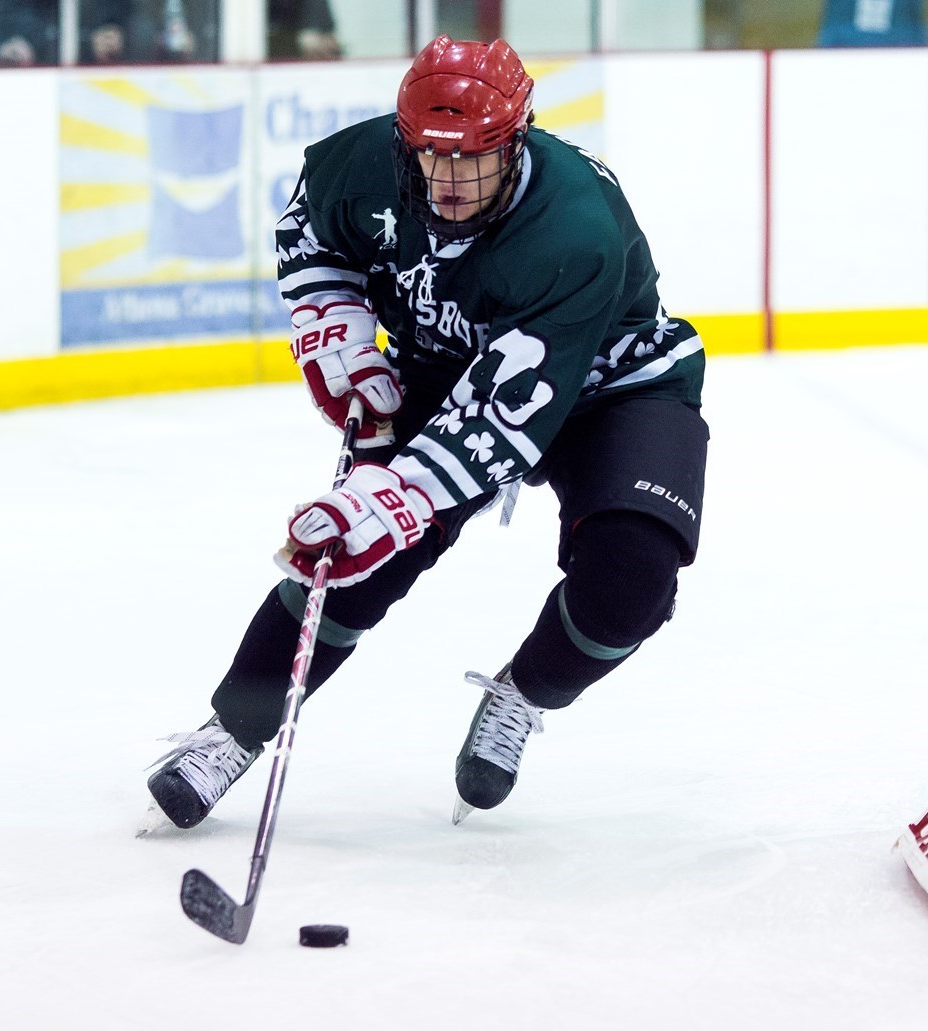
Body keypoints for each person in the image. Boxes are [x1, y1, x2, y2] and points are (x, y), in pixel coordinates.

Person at [145, 35, 708, 827]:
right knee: (346, 564)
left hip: (607, 384)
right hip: (445, 369)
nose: (448, 182)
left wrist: (392, 498)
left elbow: (503, 418)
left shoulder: (576, 227)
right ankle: (231, 732)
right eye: (430, 159)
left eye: (473, 160)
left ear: (516, 142)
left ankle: (521, 693)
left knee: (633, 582)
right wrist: (334, 323)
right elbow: (312, 239)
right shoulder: (365, 161)